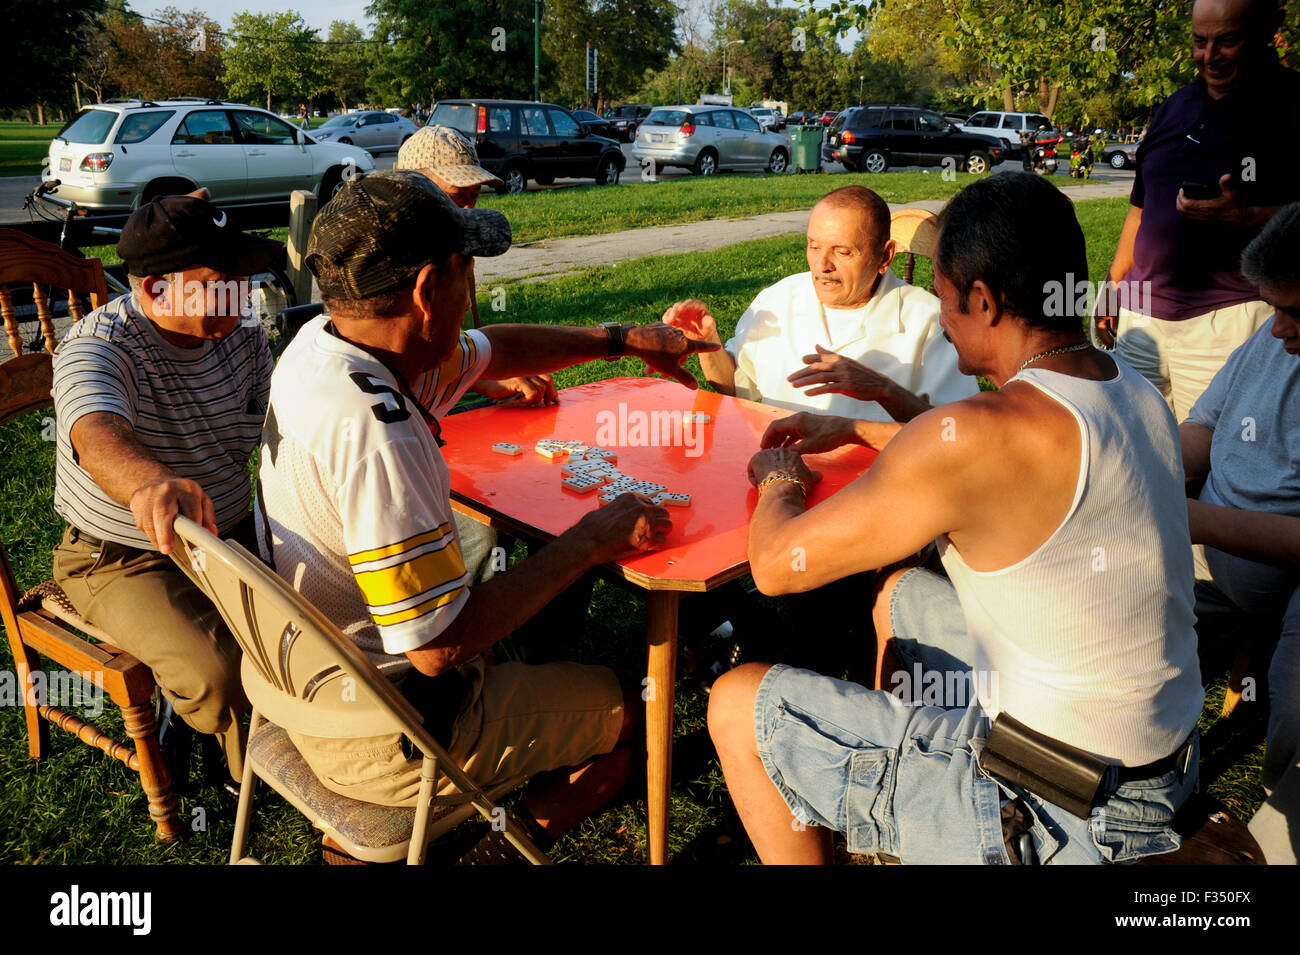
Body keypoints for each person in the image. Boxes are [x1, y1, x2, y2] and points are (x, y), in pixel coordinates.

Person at [707, 172, 1203, 865]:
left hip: (1058, 810)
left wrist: (780, 479)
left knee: (736, 700)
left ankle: (925, 808)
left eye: (942, 298)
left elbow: (777, 564)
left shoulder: (984, 435)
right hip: (1162, 767)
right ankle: (903, 806)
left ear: (982, 300)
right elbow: (967, 453)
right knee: (900, 593)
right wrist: (857, 423)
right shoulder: (1131, 389)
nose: (939, 317)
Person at [256, 170, 717, 852]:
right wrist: (590, 539)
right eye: (466, 269)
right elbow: (440, 647)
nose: (472, 292)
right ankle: (503, 844)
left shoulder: (325, 348)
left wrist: (622, 338)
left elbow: (495, 347)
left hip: (297, 678)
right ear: (427, 289)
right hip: (392, 726)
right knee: (638, 705)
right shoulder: (380, 434)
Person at [51, 190, 283, 780]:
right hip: (125, 557)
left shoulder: (240, 328)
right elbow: (95, 428)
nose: (245, 294)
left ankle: (300, 750)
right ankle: (251, 776)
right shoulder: (98, 345)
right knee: (221, 675)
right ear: (155, 289)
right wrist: (149, 484)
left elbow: (285, 412)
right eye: (224, 281)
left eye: (244, 279)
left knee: (322, 624)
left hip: (231, 536)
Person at [1095, 0, 1300, 421]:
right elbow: (1141, 208)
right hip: (1141, 318)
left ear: (1264, 35)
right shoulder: (1175, 106)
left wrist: (1247, 217)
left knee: (1207, 457)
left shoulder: (1291, 104)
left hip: (1228, 320)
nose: (1210, 56)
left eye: (1227, 41)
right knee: (1137, 447)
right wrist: (1113, 285)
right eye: (1199, 41)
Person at [1182, 201, 1300, 865]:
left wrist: (1194, 519)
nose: (1278, 328)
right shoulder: (1273, 333)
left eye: (1296, 311)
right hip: (1211, 553)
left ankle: (1275, 844)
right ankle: (1127, 797)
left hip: (1285, 581)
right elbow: (1201, 430)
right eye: (1272, 306)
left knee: (1298, 709)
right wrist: (1139, 474)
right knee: (1116, 620)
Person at [662, 185, 977, 423]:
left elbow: (954, 433)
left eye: (842, 252)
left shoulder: (930, 322)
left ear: (884, 257)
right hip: (778, 472)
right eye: (814, 246)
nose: (821, 265)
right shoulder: (778, 299)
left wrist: (884, 390)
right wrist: (708, 344)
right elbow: (736, 389)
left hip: (874, 488)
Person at [395, 124, 556, 407]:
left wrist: (504, 371)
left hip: (469, 406)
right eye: (457, 196)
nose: (469, 211)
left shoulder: (456, 246)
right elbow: (395, 366)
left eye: (474, 195)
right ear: (411, 191)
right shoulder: (393, 262)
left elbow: (468, 342)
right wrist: (484, 379)